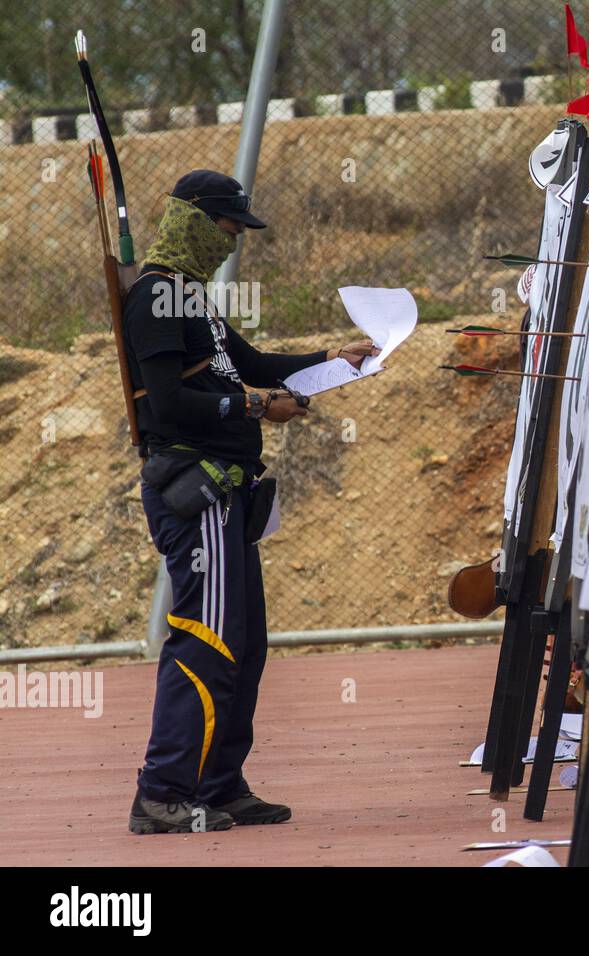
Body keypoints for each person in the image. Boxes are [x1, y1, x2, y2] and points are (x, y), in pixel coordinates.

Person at [122, 169, 377, 834]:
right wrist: (259, 407)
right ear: (197, 221)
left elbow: (255, 363)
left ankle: (219, 783)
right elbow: (173, 402)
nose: (234, 241)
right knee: (205, 638)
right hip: (195, 488)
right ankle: (163, 790)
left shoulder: (194, 299)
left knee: (244, 642)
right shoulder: (154, 297)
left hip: (231, 494)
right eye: (229, 226)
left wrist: (332, 358)